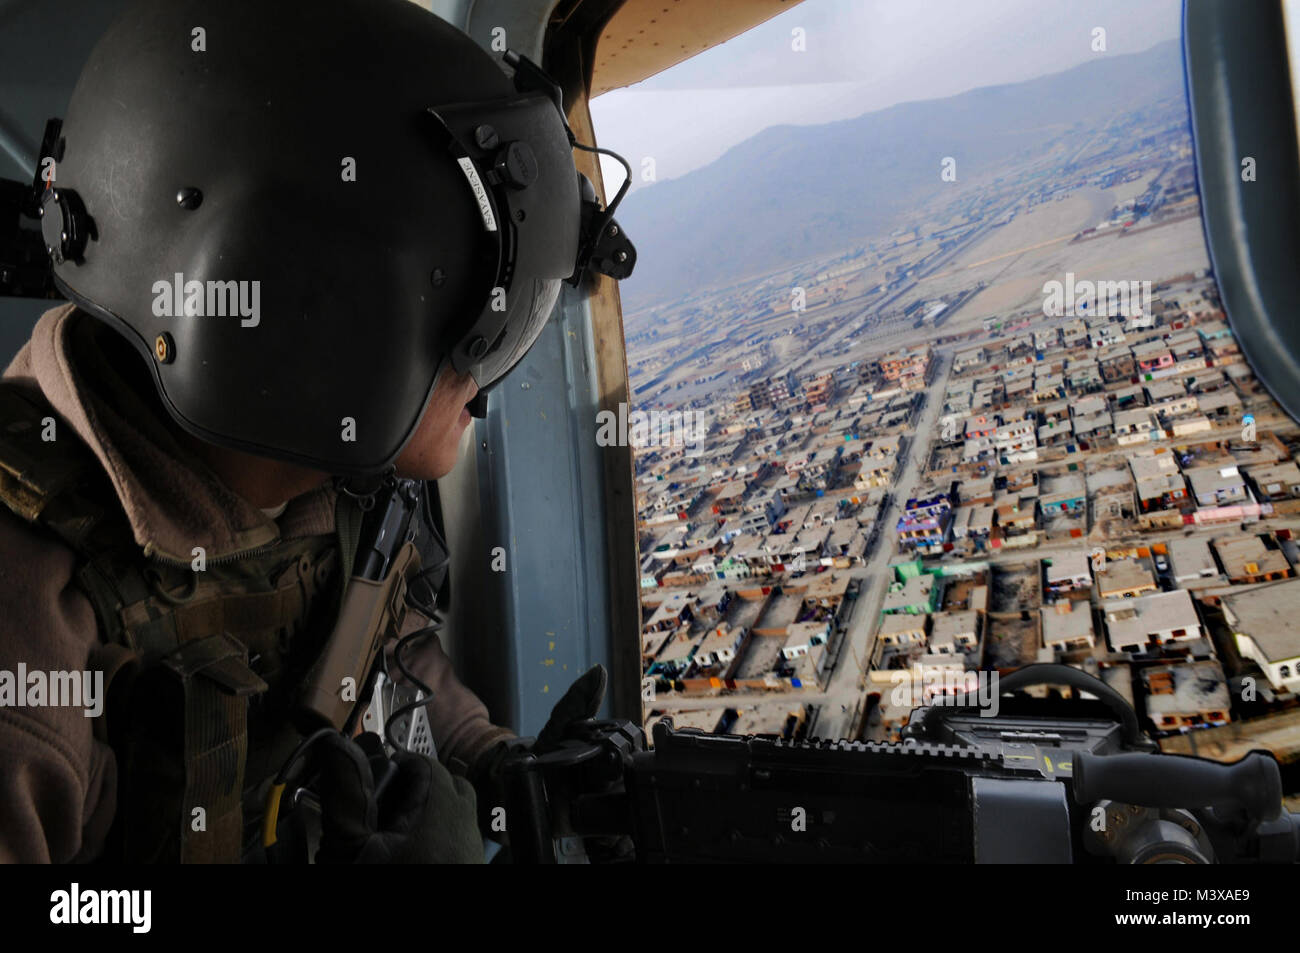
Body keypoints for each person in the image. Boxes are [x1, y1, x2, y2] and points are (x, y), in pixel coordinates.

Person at [0, 0, 626, 863]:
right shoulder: (26, 620)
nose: (479, 376)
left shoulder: (322, 473)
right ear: (307, 306)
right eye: (473, 315)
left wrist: (502, 766)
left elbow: (385, 637)